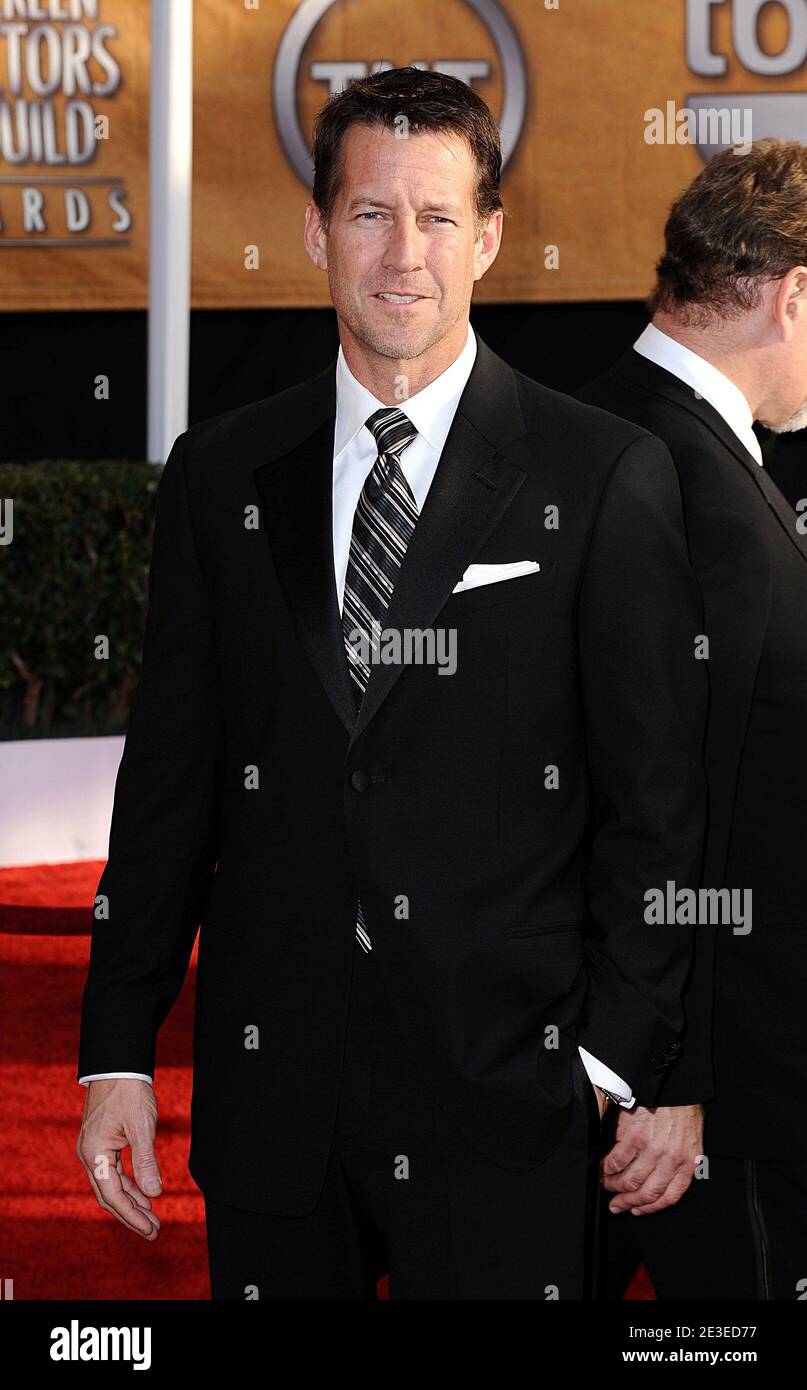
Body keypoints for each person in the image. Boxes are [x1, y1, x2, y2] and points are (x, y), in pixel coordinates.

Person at [76, 67, 707, 1300]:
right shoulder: (221, 475)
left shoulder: (604, 472)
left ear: (489, 238)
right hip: (276, 1099)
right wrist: (117, 1052)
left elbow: (660, 797)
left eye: (435, 217)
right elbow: (170, 782)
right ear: (317, 231)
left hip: (507, 1101)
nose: (401, 253)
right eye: (370, 213)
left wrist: (615, 1057)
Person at [578, 138, 807, 1301]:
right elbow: (669, 809)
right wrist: (674, 1075)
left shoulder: (611, 423)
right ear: (793, 294)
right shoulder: (684, 475)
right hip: (721, 1082)